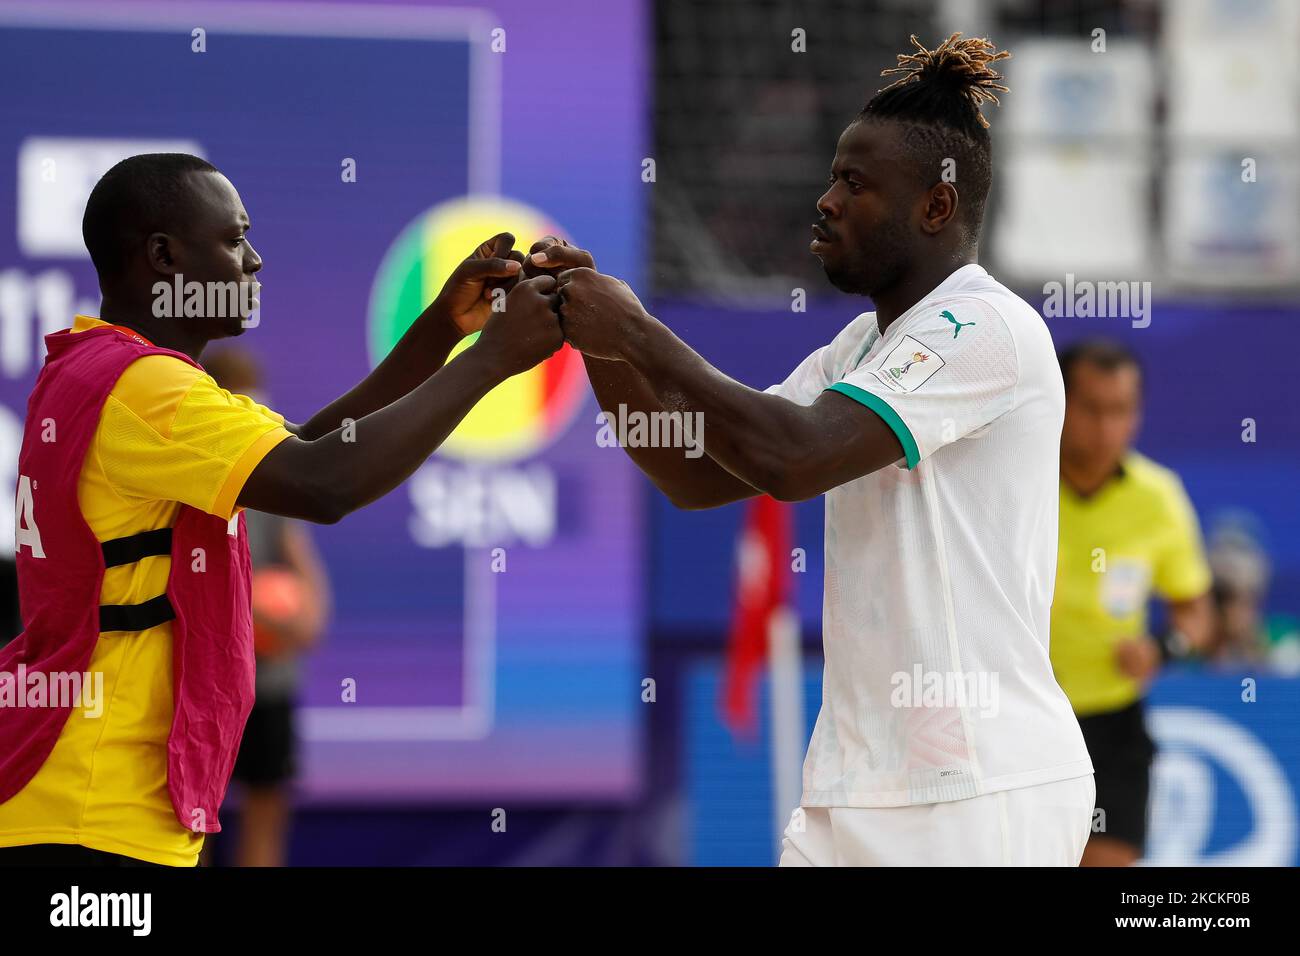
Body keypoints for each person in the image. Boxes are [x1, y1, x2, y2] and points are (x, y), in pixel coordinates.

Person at [543, 33, 1095, 865]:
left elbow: (792, 459)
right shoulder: (858, 347)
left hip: (977, 788)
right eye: (835, 174)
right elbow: (692, 471)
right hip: (857, 781)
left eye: (855, 182)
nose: (827, 200)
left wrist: (639, 332)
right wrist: (601, 345)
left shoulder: (984, 325)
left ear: (935, 208)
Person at [0, 153, 563, 866]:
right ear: (165, 257)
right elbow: (327, 483)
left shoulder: (101, 367)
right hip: (87, 811)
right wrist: (491, 363)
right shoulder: (145, 388)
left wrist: (445, 331)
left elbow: (305, 444)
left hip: (73, 800)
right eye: (235, 239)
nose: (255, 261)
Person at [1050, 338, 1213, 867]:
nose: (1105, 430)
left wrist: (1165, 646)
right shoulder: (1014, 481)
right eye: (1091, 409)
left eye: (1120, 411)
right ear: (1058, 401)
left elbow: (1196, 611)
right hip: (1019, 716)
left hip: (1112, 723)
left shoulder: (1158, 497)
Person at [202, 346, 331, 868]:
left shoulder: (273, 491)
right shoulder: (187, 488)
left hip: (268, 683)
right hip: (203, 686)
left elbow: (310, 592)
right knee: (193, 819)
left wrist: (302, 620)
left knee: (265, 813)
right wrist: (251, 618)